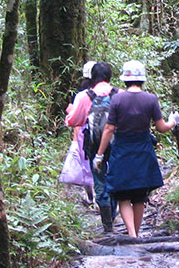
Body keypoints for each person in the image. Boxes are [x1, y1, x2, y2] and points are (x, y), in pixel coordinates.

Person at [93, 60, 179, 238]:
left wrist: (99, 154)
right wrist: (174, 121)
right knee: (139, 195)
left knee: (123, 194)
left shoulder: (117, 99)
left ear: (125, 79)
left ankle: (132, 234)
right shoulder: (151, 99)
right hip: (143, 149)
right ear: (143, 79)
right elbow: (162, 127)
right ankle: (136, 234)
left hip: (121, 150)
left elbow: (109, 128)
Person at [65, 61, 118, 231]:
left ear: (92, 77)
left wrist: (69, 113)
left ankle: (107, 224)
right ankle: (115, 209)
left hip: (94, 144)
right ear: (109, 77)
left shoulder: (84, 96)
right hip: (116, 143)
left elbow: (74, 121)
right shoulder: (119, 94)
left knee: (99, 178)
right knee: (115, 176)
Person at [61, 61, 97, 205]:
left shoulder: (82, 95)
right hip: (104, 134)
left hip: (84, 134)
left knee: (86, 166)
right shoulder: (108, 93)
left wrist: (75, 141)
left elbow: (77, 120)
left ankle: (91, 197)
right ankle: (103, 200)